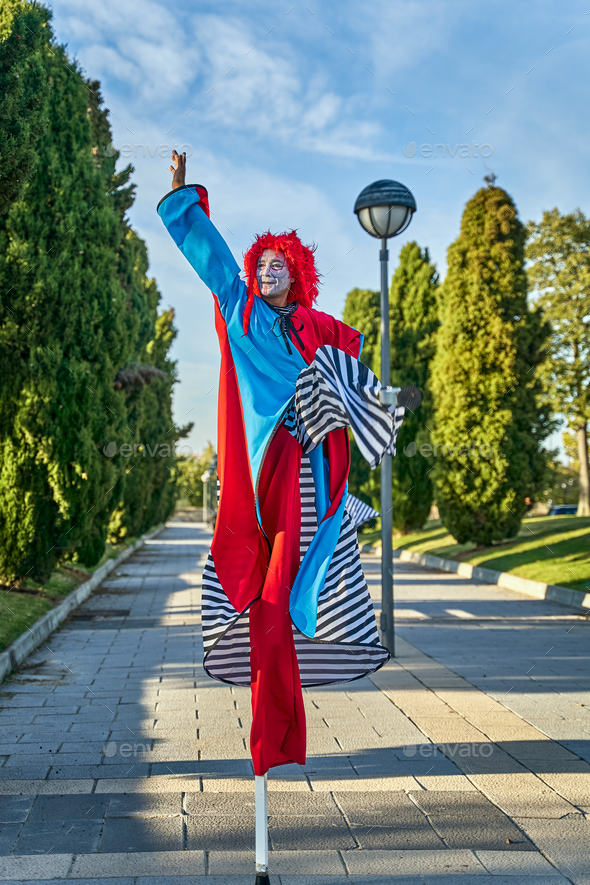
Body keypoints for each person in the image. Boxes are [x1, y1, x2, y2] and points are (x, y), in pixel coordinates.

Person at [158, 151, 403, 776]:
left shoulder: (316, 328)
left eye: (278, 265)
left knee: (273, 609)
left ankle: (274, 743)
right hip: (253, 478)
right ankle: (276, 741)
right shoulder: (237, 313)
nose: (266, 272)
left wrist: (363, 397)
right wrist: (186, 196)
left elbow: (353, 368)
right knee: (261, 606)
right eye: (260, 264)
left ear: (296, 275)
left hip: (302, 483)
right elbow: (208, 257)